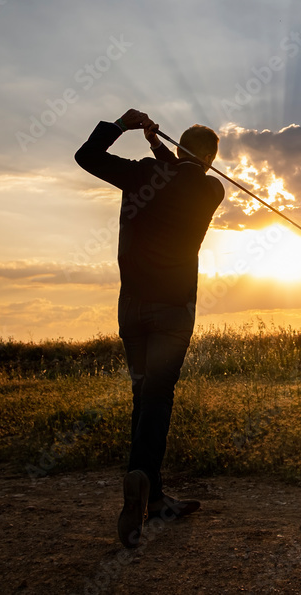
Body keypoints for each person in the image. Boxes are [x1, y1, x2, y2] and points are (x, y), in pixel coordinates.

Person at [75, 109, 225, 548]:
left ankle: (154, 498)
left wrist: (125, 127)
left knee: (143, 393)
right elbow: (182, 173)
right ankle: (142, 477)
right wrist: (160, 146)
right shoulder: (211, 188)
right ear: (211, 160)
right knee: (158, 394)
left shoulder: (143, 175)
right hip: (174, 309)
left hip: (133, 307)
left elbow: (87, 156)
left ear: (177, 149)